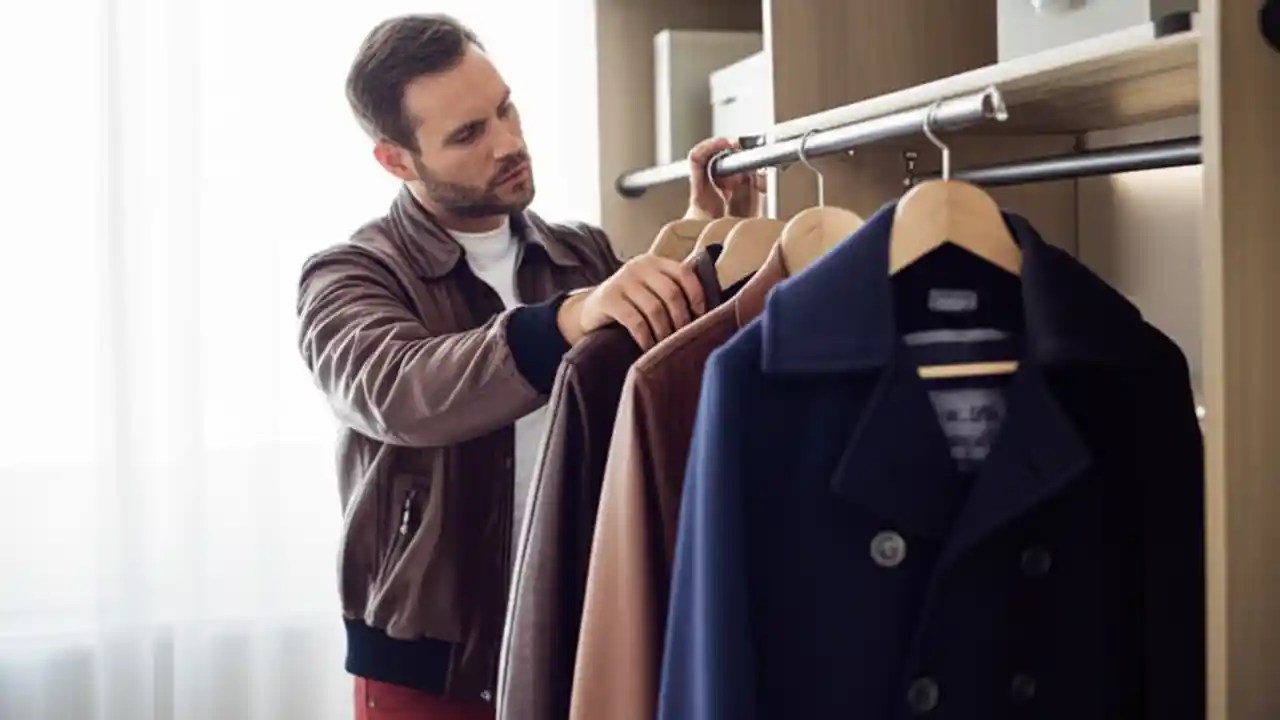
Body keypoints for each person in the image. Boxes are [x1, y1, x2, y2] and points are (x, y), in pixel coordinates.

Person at [295, 13, 759, 720]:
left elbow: (659, 374)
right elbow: (400, 389)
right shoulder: (349, 275)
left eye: (504, 108)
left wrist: (709, 235)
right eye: (468, 134)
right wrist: (564, 320)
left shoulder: (581, 256)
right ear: (396, 159)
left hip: (580, 632)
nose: (509, 142)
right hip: (431, 672)